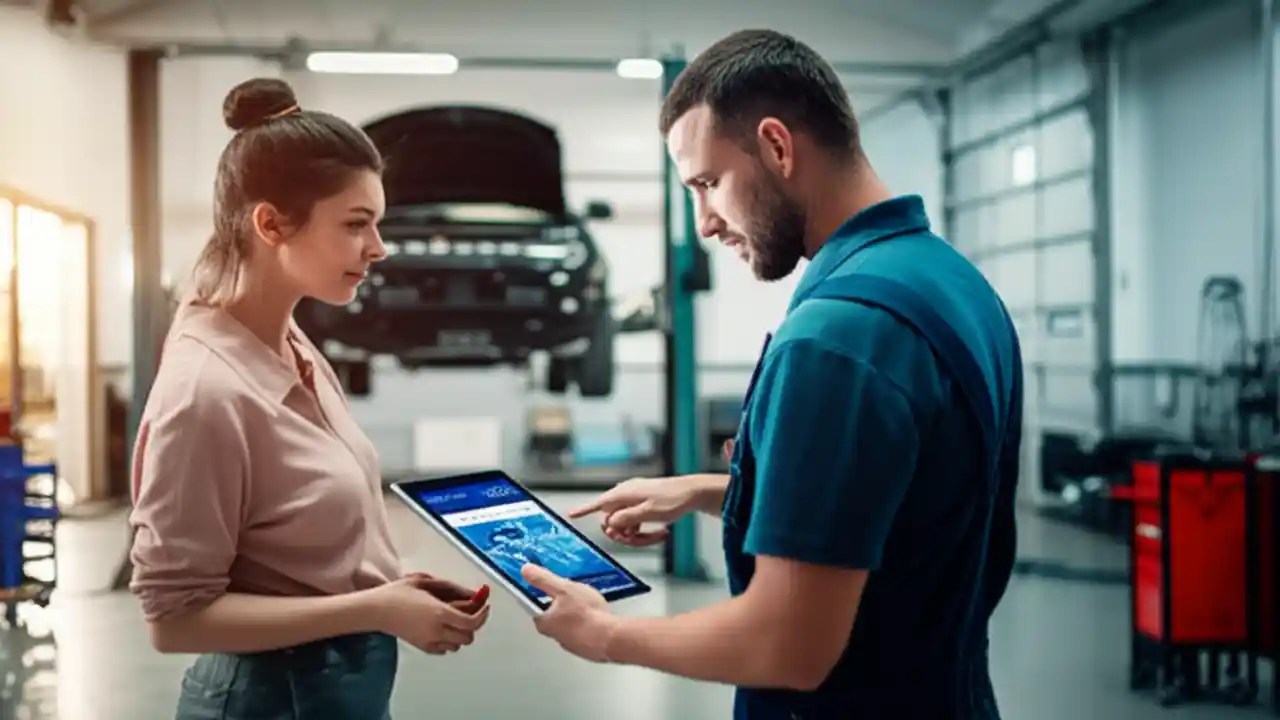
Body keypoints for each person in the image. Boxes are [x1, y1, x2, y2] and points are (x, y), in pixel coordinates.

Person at [520, 29, 1023, 719]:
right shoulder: (951, 282)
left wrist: (605, 634)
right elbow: (898, 497)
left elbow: (787, 643)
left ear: (778, 146)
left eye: (707, 184)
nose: (703, 223)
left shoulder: (837, 336)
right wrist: (703, 490)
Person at [127, 78, 490, 720]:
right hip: (271, 699)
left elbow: (288, 544)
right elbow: (175, 619)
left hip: (325, 687)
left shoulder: (285, 338)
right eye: (357, 225)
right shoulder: (206, 393)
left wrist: (386, 586)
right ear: (270, 223)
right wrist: (375, 607)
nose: (378, 248)